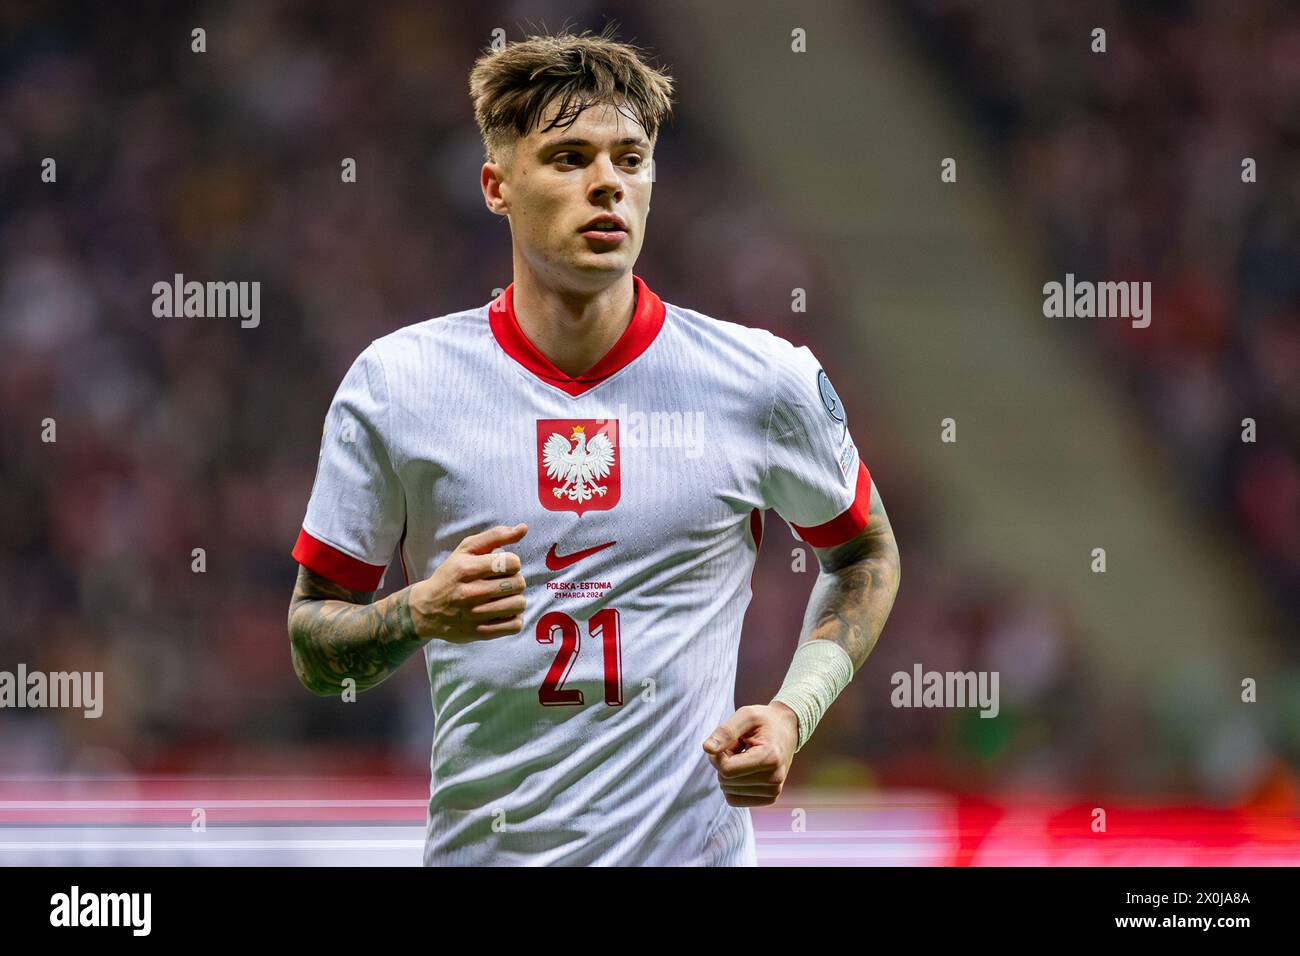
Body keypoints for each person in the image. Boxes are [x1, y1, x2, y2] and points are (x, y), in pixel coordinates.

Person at [287, 27, 900, 866]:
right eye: (570, 158)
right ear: (496, 186)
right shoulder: (398, 384)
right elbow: (315, 647)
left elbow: (863, 551)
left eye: (631, 158)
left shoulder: (762, 380)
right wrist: (418, 612)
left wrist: (795, 710)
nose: (607, 184)